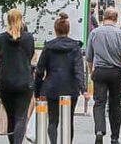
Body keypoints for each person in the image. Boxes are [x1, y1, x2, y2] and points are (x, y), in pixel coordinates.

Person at [34, 12, 87, 144]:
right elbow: (78, 70)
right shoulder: (75, 47)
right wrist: (83, 88)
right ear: (68, 30)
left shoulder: (48, 47)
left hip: (51, 88)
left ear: (55, 30)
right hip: (70, 88)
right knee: (68, 120)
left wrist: (38, 91)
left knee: (52, 120)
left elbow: (40, 70)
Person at [86, 6, 121, 144]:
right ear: (116, 19)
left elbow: (89, 57)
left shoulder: (94, 33)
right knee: (115, 104)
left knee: (99, 102)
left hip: (99, 71)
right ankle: (114, 137)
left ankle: (99, 130)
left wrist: (91, 72)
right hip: (115, 72)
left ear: (103, 17)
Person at [0, 8, 35, 144]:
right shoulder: (28, 38)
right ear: (21, 20)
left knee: (11, 117)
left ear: (7, 20)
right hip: (24, 82)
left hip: (5, 83)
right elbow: (29, 56)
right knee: (21, 117)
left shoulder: (0, 39)